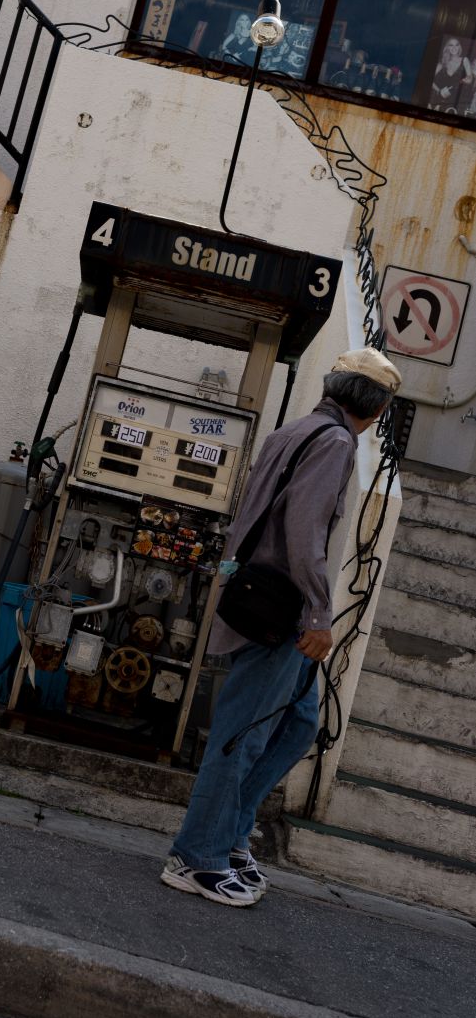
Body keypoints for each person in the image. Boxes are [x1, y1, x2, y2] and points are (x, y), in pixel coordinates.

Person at [161, 348, 402, 907]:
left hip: (259, 597)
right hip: (281, 610)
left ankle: (229, 833)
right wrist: (319, 613)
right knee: (242, 736)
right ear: (378, 408)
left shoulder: (296, 429)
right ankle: (196, 857)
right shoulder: (336, 442)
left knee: (297, 724)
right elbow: (303, 532)